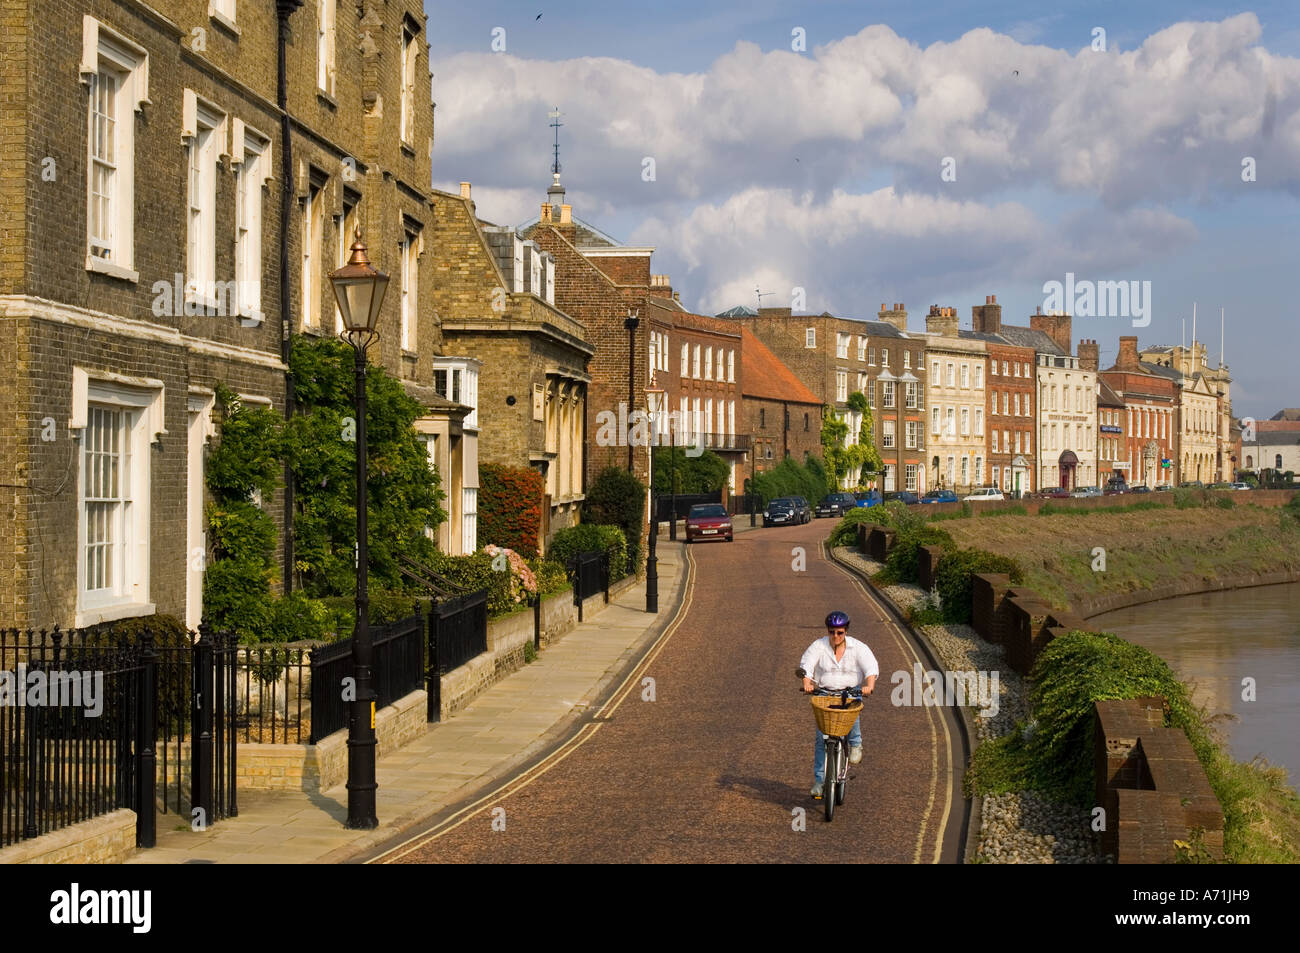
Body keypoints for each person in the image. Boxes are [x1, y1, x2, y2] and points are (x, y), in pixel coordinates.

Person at [799, 610, 878, 799]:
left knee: (852, 708)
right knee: (821, 739)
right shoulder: (818, 646)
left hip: (849, 692)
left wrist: (869, 685)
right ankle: (819, 781)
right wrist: (807, 682)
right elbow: (807, 665)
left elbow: (870, 666)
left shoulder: (858, 648)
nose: (835, 636)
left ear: (846, 631)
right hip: (825, 694)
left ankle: (856, 744)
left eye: (840, 632)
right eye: (832, 632)